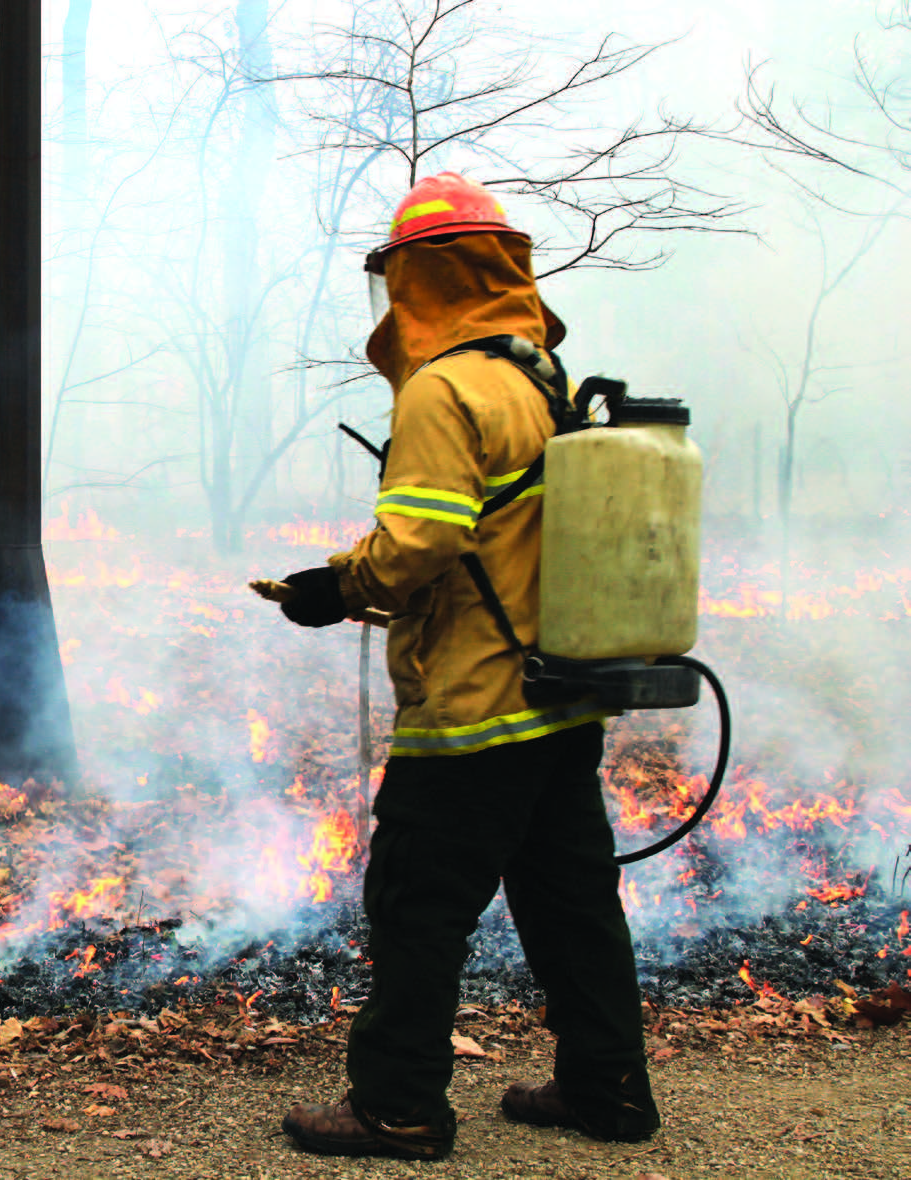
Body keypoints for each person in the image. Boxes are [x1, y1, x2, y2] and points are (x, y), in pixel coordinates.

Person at [272, 174, 661, 1160]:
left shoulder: (446, 387)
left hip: (476, 705)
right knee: (572, 902)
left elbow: (419, 544)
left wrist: (335, 584)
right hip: (560, 694)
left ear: (422, 277)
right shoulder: (541, 379)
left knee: (415, 903)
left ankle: (398, 1105)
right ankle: (608, 1087)